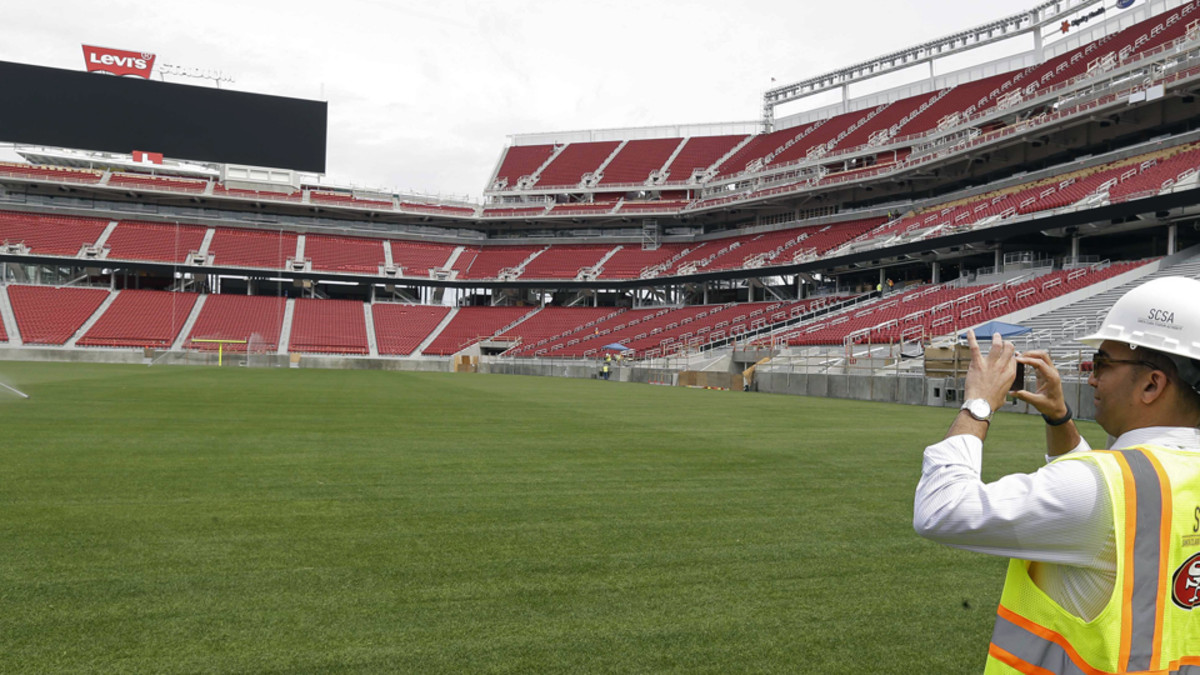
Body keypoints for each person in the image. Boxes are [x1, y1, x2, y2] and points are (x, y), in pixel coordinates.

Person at [913, 276, 1200, 674]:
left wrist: (978, 403)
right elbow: (1115, 510)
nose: (1091, 378)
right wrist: (1059, 417)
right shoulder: (1157, 479)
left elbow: (940, 510)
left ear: (1152, 384)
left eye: (1101, 364)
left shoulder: (1106, 488)